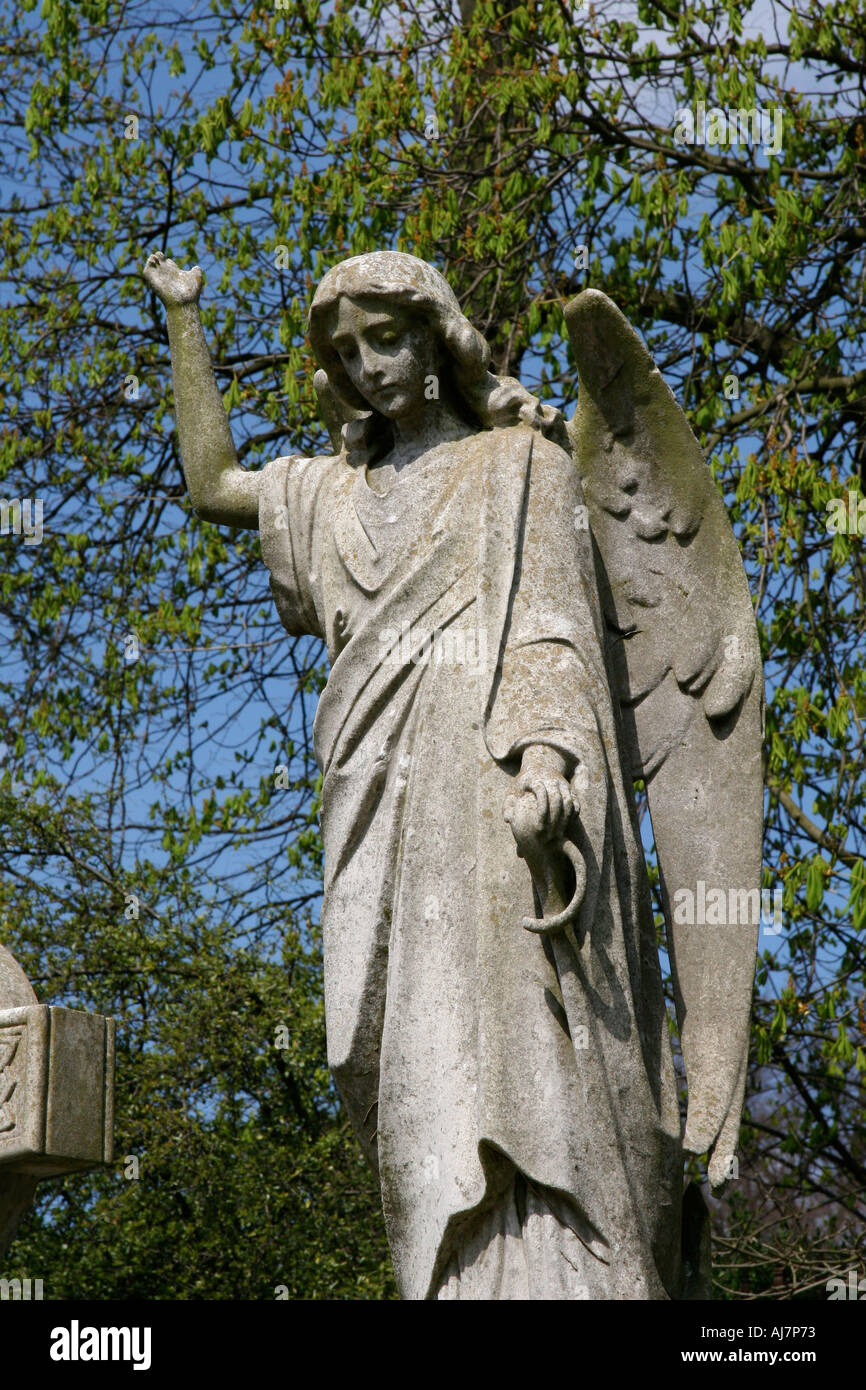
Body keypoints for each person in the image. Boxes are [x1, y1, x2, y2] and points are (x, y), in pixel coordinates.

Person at [144, 248, 683, 1300]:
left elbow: (553, 636)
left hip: (489, 800)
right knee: (396, 1054)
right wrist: (185, 322)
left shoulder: (515, 466)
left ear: (435, 337)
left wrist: (544, 766)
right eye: (345, 351)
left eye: (385, 338)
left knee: (521, 1035)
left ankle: (551, 1270)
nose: (370, 365)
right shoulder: (327, 496)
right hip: (378, 814)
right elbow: (212, 484)